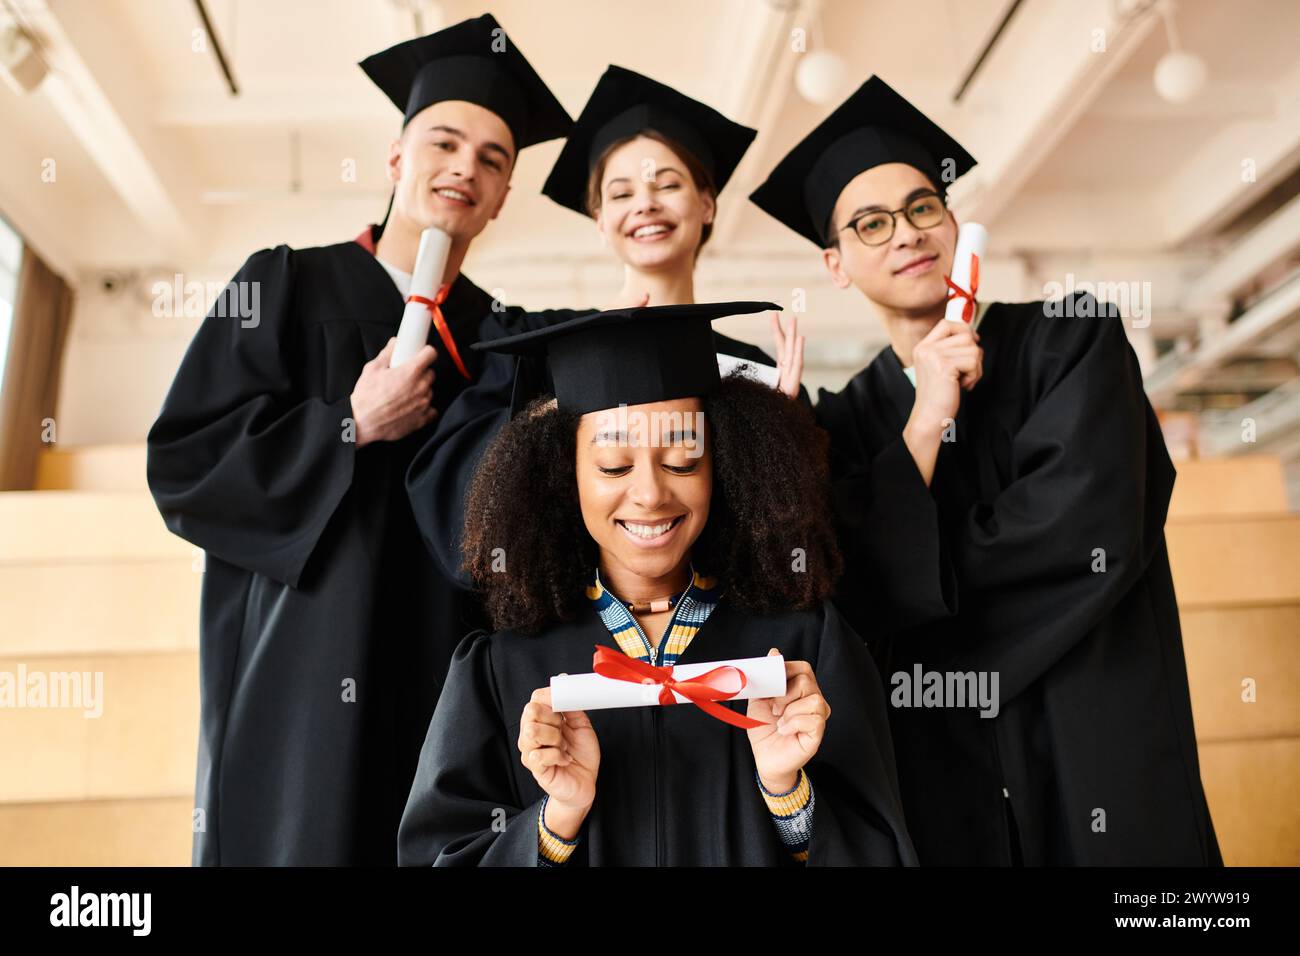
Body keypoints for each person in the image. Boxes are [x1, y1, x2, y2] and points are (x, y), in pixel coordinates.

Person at [748, 76, 1220, 865]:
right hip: (943, 788)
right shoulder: (841, 425)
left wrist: (914, 611)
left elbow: (1087, 536)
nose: (906, 233)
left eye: (922, 205)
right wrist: (926, 420)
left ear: (953, 220)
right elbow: (843, 598)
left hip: (1096, 744)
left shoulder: (1071, 346)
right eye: (871, 223)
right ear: (835, 265)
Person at [145, 14, 574, 865]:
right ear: (395, 156)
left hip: (445, 678)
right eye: (444, 143)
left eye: (493, 159)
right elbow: (185, 465)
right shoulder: (289, 283)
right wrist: (350, 425)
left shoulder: (498, 338)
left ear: (503, 194)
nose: (465, 168)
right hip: (304, 664)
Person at [397, 302, 915, 866]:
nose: (650, 494)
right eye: (615, 466)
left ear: (727, 464)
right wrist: (554, 823)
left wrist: (787, 792)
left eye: (683, 462)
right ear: (562, 474)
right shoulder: (502, 670)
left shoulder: (801, 651)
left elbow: (882, 850)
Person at [406, 66, 805, 589]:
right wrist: (569, 392)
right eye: (620, 193)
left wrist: (778, 437)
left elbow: (785, 540)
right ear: (599, 219)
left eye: (668, 184)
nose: (645, 203)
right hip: (572, 635)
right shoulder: (537, 344)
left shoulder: (752, 368)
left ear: (707, 205)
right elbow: (461, 501)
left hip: (717, 634)